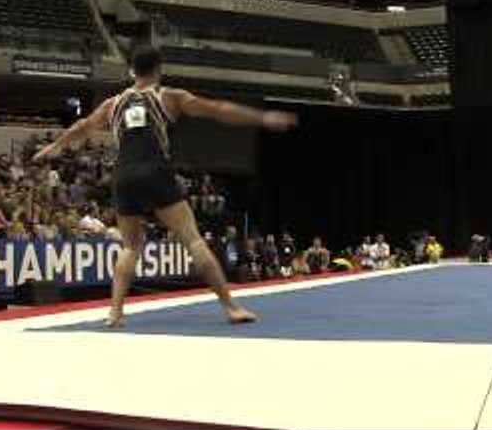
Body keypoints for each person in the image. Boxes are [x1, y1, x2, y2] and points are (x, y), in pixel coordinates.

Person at [33, 45, 297, 327]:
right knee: (192, 239)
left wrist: (55, 145)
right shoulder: (168, 96)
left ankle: (115, 313)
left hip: (122, 176)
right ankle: (230, 307)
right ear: (159, 70)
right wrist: (262, 118)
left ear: (133, 71)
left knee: (131, 246)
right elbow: (217, 110)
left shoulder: (114, 103)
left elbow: (84, 125)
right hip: (155, 170)